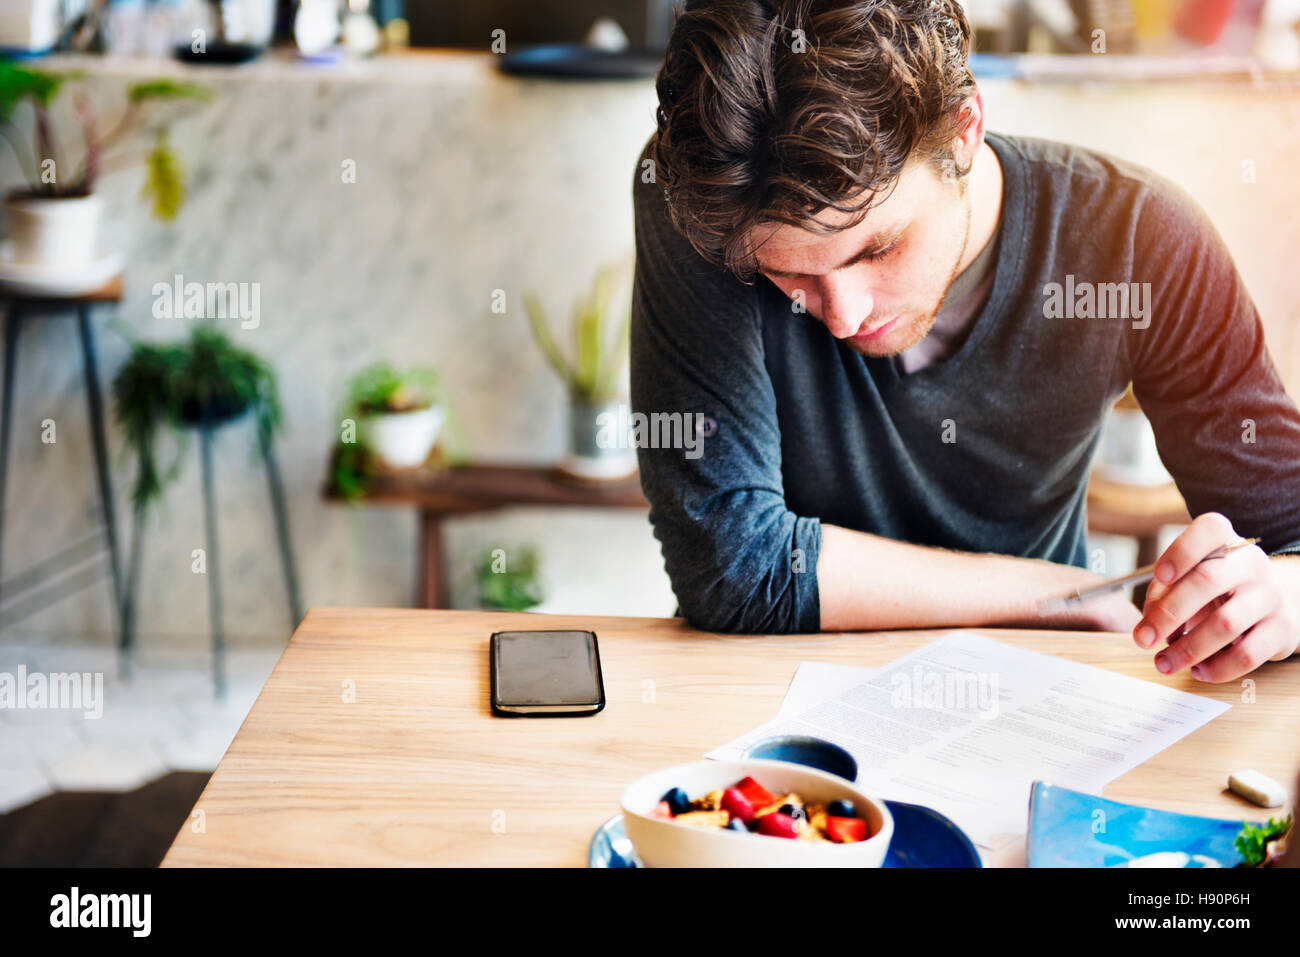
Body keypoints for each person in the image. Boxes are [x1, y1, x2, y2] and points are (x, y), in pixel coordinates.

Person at [631, 0, 1300, 681]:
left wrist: (1282, 596)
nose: (840, 316)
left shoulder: (1138, 238)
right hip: (780, 706)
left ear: (963, 130)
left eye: (878, 249)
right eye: (786, 273)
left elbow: (1290, 530)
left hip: (1046, 688)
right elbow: (732, 568)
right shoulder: (707, 205)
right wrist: (1057, 596)